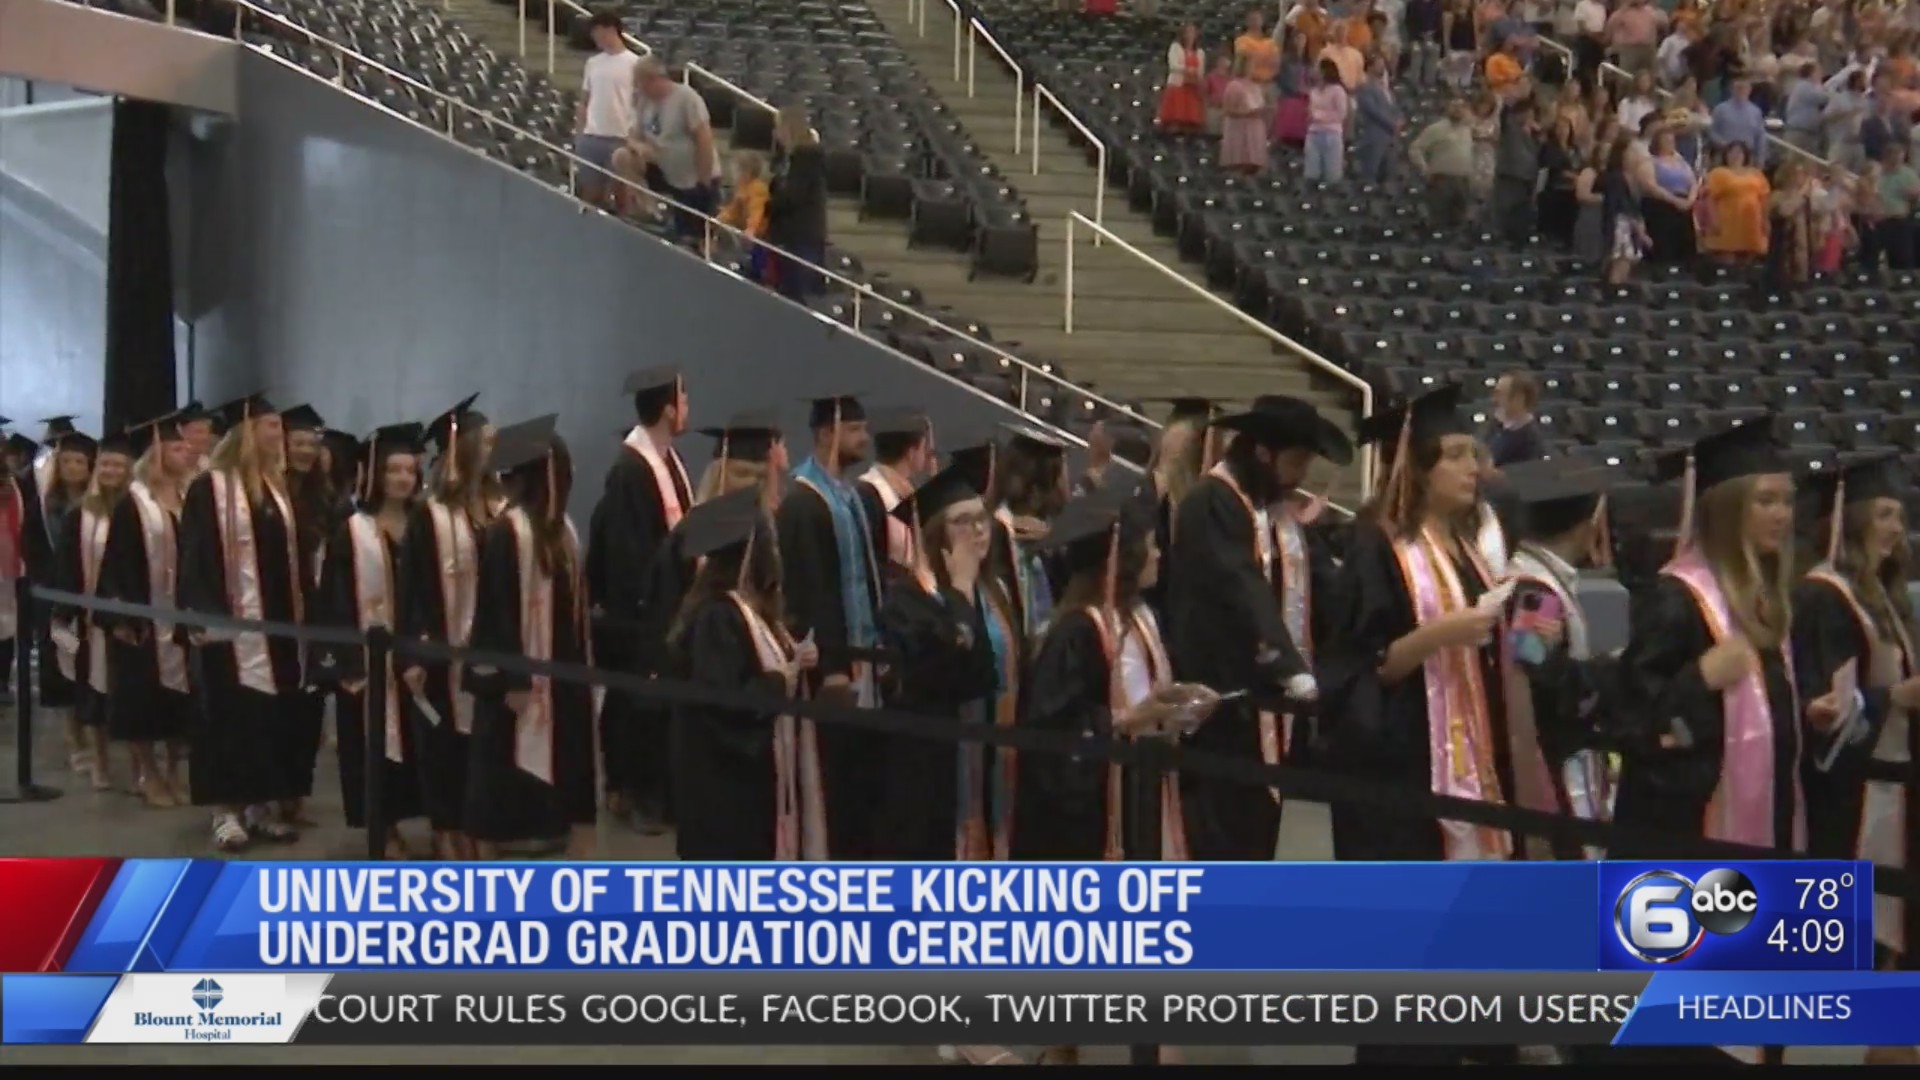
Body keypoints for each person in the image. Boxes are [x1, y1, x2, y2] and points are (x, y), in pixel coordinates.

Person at [1613, 416, 1815, 862]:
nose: (1782, 514)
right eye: (1765, 501)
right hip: (1689, 838)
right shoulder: (1677, 598)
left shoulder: (1768, 599)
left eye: (1787, 500)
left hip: (1772, 816)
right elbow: (1636, 726)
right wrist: (1699, 679)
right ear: (1727, 509)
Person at [1172, 395, 1351, 861]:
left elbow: (1321, 579)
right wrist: (1287, 664)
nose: (1300, 476)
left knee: (1258, 835)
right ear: (1263, 454)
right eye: (1295, 462)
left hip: (1266, 710)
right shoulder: (1212, 502)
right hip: (1223, 704)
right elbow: (1239, 584)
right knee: (1222, 838)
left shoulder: (1276, 512)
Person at [1793, 454, 1919, 1015]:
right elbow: (1823, 707)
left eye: (1902, 515)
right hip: (1851, 791)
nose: (1897, 528)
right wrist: (1897, 698)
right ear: (1855, 516)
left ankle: (1885, 1030)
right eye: (1886, 513)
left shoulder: (1884, 595)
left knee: (1891, 906)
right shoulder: (1824, 595)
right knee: (1860, 912)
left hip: (1891, 780)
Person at [461, 417, 598, 860]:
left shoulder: (564, 532)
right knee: (504, 749)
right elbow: (495, 611)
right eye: (562, 468)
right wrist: (513, 678)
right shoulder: (508, 531)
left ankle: (548, 824)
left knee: (560, 746)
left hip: (559, 668)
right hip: (516, 674)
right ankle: (497, 837)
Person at [177, 395, 307, 852]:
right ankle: (223, 811)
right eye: (271, 425)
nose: (280, 434)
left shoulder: (274, 486)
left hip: (275, 625)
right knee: (226, 715)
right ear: (247, 432)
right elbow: (192, 556)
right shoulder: (209, 487)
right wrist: (203, 611)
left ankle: (258, 806)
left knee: (267, 716)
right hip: (228, 626)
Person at [669, 488, 822, 859]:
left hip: (749, 784)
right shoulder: (718, 616)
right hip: (725, 790)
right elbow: (724, 700)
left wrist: (799, 661)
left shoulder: (754, 610)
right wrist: (780, 680)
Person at [586, 366, 694, 834]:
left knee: (656, 709)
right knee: (636, 708)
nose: (688, 406)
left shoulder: (667, 460)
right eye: (684, 398)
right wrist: (650, 612)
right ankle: (633, 793)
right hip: (642, 615)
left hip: (669, 609)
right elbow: (629, 553)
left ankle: (656, 793)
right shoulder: (632, 469)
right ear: (669, 409)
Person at [777, 392, 886, 858]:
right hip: (834, 669)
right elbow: (811, 589)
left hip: (864, 659)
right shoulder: (804, 500)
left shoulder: (848, 495)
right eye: (855, 429)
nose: (865, 438)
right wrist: (834, 667)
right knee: (834, 774)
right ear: (827, 434)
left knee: (860, 772)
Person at [1499, 460, 1625, 860]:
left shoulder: (1544, 579)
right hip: (1551, 763)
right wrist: (1609, 674)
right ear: (1585, 526)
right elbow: (1536, 680)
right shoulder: (1537, 593)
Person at [872, 465, 1000, 860]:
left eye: (982, 518)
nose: (979, 530)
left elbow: (986, 677)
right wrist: (960, 594)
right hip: (926, 768)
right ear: (935, 534)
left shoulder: (992, 591)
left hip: (984, 754)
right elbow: (943, 674)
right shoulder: (906, 599)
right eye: (963, 522)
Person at [313, 422, 427, 858]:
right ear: (377, 475)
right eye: (394, 470)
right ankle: (383, 829)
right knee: (371, 746)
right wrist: (346, 664)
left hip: (412, 658)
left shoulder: (423, 525)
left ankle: (414, 820)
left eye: (409, 471)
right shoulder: (353, 530)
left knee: (415, 746)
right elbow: (335, 603)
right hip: (364, 662)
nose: (402, 478)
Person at [397, 393, 498, 860]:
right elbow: (412, 589)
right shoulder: (428, 514)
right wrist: (414, 652)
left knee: (483, 741)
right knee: (442, 743)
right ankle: (444, 828)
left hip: (487, 646)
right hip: (441, 645)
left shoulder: (497, 508)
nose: (495, 449)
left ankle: (476, 824)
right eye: (488, 441)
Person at [94, 413, 195, 807]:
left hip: (181, 618)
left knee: (179, 702)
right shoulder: (132, 504)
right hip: (141, 619)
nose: (185, 451)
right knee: (142, 699)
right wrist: (119, 617)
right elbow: (114, 563)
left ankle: (173, 771)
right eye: (175, 446)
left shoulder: (188, 498)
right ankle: (147, 772)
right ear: (156, 452)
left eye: (185, 445)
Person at [49, 429, 132, 793]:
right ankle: (100, 764)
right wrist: (63, 614)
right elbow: (66, 568)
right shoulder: (78, 514)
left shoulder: (137, 510)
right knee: (95, 694)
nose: (112, 470)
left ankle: (141, 766)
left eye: (119, 465)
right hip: (90, 619)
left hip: (129, 616)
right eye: (106, 464)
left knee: (130, 693)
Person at [278, 403, 333, 828]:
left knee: (308, 708)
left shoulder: (324, 496)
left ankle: (297, 790)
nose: (304, 450)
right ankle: (273, 793)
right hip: (275, 612)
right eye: (297, 442)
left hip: (315, 614)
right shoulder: (266, 493)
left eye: (311, 444)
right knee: (279, 704)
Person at [986, 423, 1073, 647]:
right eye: (1063, 474)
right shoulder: (994, 538)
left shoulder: (1054, 542)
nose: (1068, 484)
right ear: (1037, 489)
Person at [36, 423, 91, 774]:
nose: (72, 467)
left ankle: (91, 735)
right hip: (55, 592)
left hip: (90, 593)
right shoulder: (46, 505)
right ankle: (74, 740)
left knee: (88, 668)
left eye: (79, 462)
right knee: (60, 668)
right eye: (66, 461)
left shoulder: (99, 502)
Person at [625, 57, 720, 241]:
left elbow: (704, 139)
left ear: (653, 79)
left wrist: (704, 179)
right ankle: (648, 210)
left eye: (640, 83)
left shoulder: (686, 98)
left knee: (693, 234)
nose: (638, 88)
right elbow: (632, 136)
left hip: (692, 176)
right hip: (664, 169)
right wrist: (639, 147)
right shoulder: (644, 102)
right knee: (622, 156)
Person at [574, 11, 642, 212]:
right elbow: (585, 100)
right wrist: (580, 133)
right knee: (591, 193)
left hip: (621, 138)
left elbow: (640, 102)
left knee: (622, 194)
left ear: (611, 30)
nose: (595, 38)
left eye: (598, 33)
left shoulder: (635, 63)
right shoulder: (593, 63)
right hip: (593, 135)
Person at [855, 408, 935, 574]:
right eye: (924, 448)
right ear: (912, 453)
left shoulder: (906, 494)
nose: (927, 455)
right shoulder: (869, 493)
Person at [766, 107, 828, 300]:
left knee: (801, 294)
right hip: (791, 236)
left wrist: (769, 205)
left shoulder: (806, 158)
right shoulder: (788, 159)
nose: (775, 133)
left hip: (802, 236)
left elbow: (793, 196)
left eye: (777, 127)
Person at [1410, 98, 1479, 227]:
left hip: (1464, 180)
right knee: (1439, 220)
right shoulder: (1436, 129)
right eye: (1455, 106)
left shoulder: (1468, 129)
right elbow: (1415, 148)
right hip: (1442, 180)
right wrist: (1424, 168)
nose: (1458, 109)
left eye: (1462, 107)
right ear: (1448, 108)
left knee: (1460, 221)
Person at [1352, 55, 1404, 183]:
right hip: (1374, 137)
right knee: (1370, 175)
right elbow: (1373, 111)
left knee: (1389, 176)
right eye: (1378, 64)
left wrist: (1400, 119)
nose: (1382, 67)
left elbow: (1395, 108)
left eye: (1383, 64)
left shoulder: (1386, 90)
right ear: (1369, 68)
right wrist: (1392, 124)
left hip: (1391, 139)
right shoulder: (1365, 88)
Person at [1484, 369, 1547, 468]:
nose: (1494, 399)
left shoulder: (1530, 438)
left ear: (1518, 398)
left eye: (1500, 394)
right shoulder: (1494, 424)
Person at [1303, 60, 1351, 182]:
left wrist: (1318, 117)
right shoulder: (1313, 91)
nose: (1313, 71)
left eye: (1316, 68)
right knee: (1311, 173)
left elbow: (1341, 114)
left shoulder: (1337, 90)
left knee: (1332, 174)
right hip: (1313, 134)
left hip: (1331, 135)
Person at [1158, 24, 1207, 134]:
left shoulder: (1200, 52)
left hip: (1192, 88)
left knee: (1191, 123)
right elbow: (1173, 65)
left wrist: (1198, 77)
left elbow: (1201, 70)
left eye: (1193, 32)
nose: (1191, 35)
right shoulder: (1175, 47)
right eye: (1188, 32)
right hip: (1178, 86)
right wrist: (1187, 69)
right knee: (1175, 119)